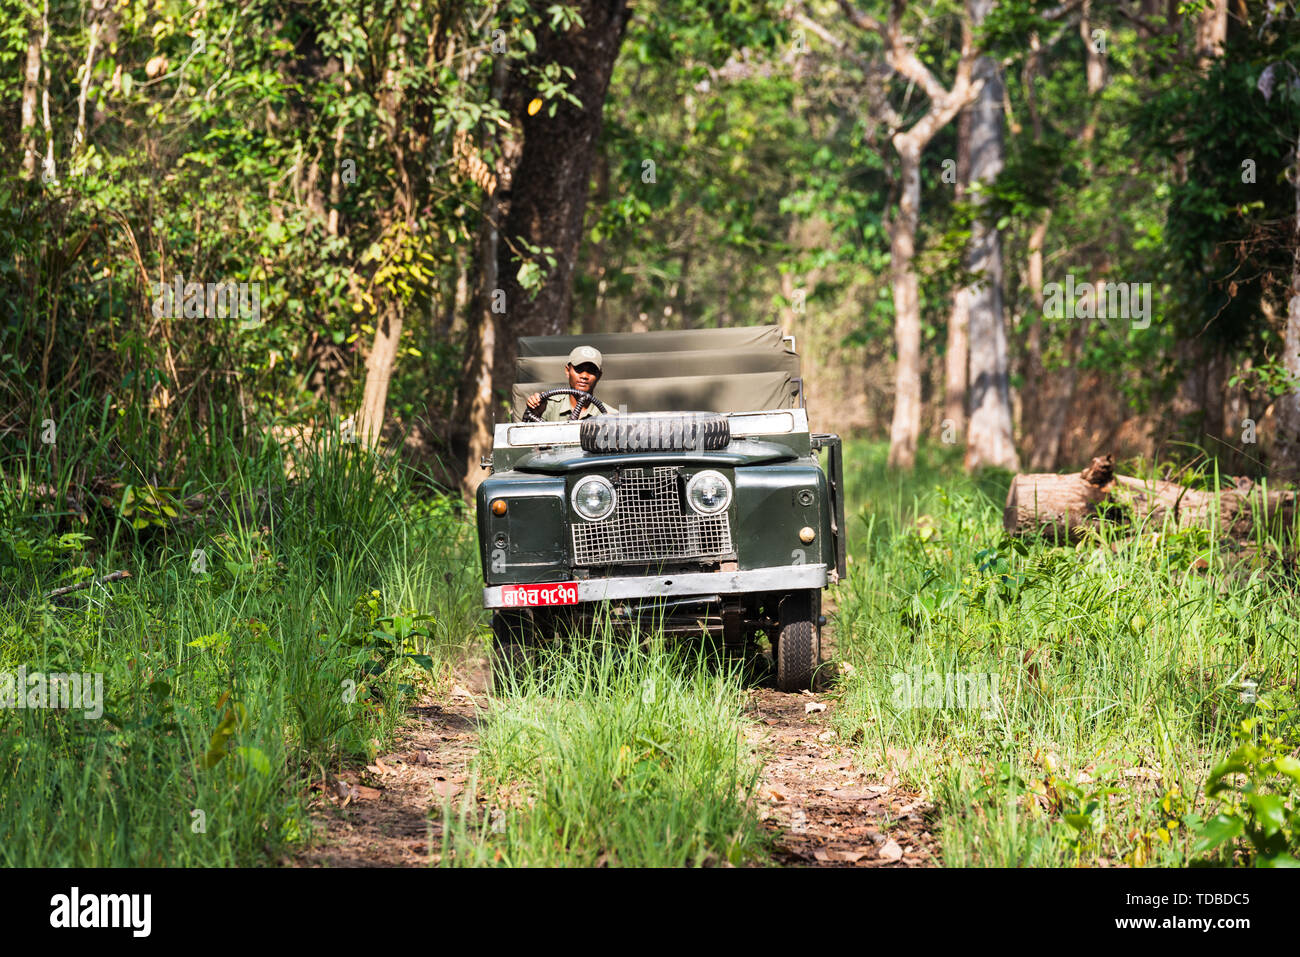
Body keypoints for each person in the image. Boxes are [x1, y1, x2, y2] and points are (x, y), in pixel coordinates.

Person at [526, 346, 612, 421]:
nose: (584, 376)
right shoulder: (548, 406)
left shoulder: (609, 415)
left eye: (591, 371)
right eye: (579, 369)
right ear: (567, 371)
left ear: (599, 376)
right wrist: (537, 413)